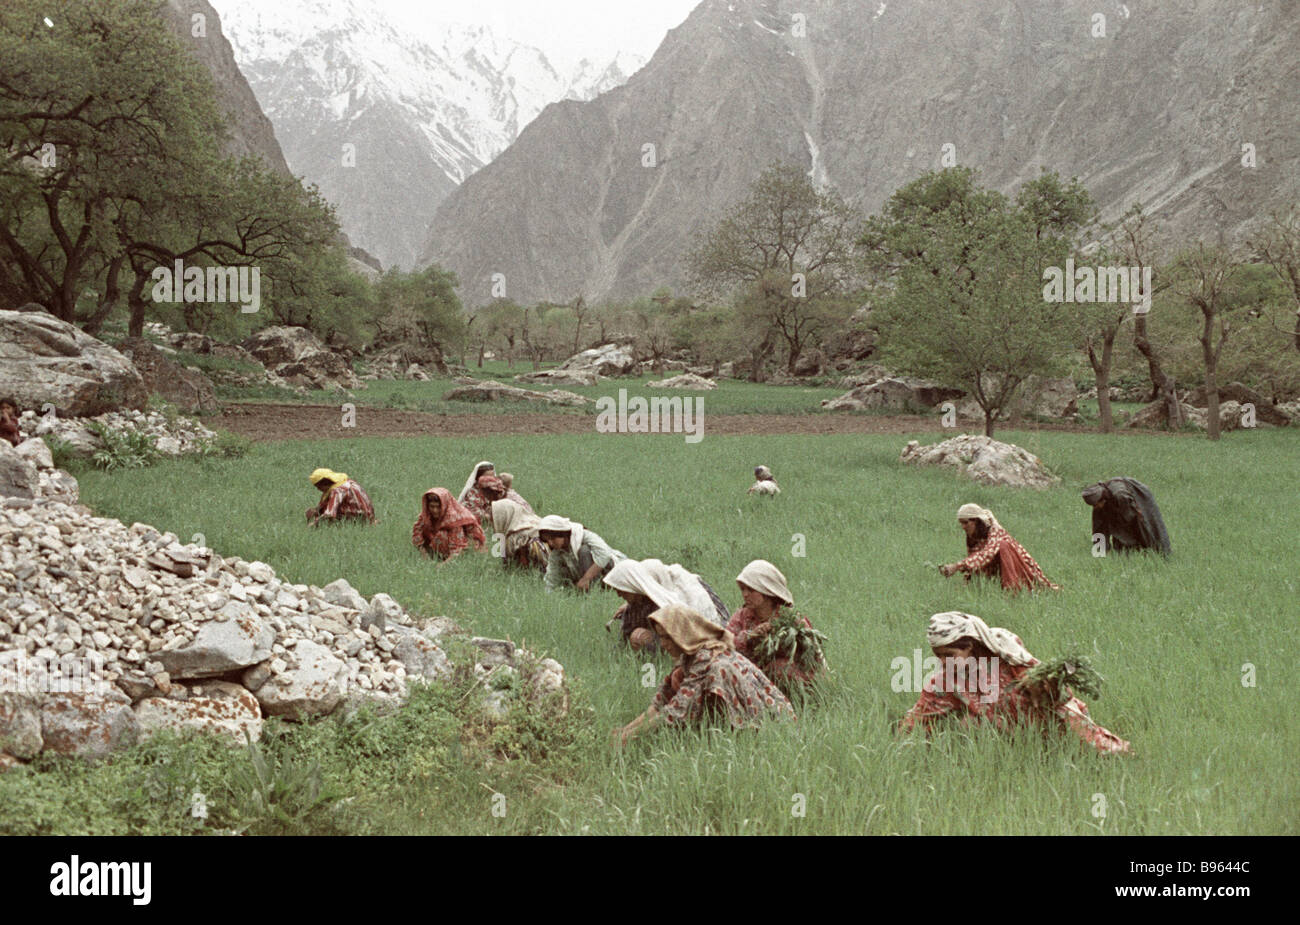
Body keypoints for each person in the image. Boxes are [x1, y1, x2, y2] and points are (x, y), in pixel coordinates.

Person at [899, 611, 1130, 755]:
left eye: (948, 655)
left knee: (1089, 744)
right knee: (964, 729)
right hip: (1000, 734)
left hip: (1042, 719)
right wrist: (901, 743)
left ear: (969, 646)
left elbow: (1062, 697)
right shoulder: (945, 678)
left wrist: (1042, 685)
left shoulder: (1008, 656)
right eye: (938, 656)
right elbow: (922, 714)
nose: (942, 662)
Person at [612, 604, 795, 745]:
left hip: (773, 723)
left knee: (712, 677)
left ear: (682, 634)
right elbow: (662, 700)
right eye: (661, 637)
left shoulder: (707, 657)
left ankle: (733, 735)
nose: (663, 644)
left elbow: (675, 710)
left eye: (668, 637)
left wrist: (629, 737)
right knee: (677, 678)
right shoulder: (689, 656)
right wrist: (625, 730)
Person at [728, 560, 825, 694]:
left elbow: (813, 656)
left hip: (788, 680)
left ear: (766, 591)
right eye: (743, 589)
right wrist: (750, 636)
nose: (745, 594)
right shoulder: (741, 617)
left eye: (751, 590)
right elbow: (725, 643)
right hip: (750, 679)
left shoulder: (790, 619)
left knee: (778, 668)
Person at [603, 558, 731, 652]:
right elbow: (625, 636)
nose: (619, 595)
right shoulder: (638, 602)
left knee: (639, 636)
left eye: (621, 590)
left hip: (693, 645)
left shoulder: (675, 602)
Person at [938, 504, 1060, 592]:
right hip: (996, 572)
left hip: (1022, 570)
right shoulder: (973, 535)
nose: (963, 527)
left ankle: (1013, 591)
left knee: (1003, 546)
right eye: (961, 523)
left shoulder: (996, 531)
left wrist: (958, 566)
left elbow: (987, 554)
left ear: (977, 521)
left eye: (966, 522)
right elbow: (975, 559)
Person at [537, 514, 626, 592]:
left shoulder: (584, 535)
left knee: (584, 551)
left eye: (553, 539)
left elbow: (605, 554)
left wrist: (586, 578)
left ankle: (594, 591)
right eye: (547, 540)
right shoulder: (557, 552)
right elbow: (552, 577)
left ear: (562, 534)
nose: (550, 543)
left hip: (612, 571)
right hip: (592, 578)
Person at [1082, 477, 1171, 556]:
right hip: (1118, 502)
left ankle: (1160, 553)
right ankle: (1122, 552)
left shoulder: (1120, 495)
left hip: (1138, 497)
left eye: (1097, 505)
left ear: (1101, 499)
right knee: (1103, 521)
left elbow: (1131, 519)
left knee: (1148, 528)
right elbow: (1098, 528)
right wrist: (1099, 553)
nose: (1096, 508)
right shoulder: (1100, 500)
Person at [412, 487, 485, 560]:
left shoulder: (454, 519)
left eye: (438, 507)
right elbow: (417, 533)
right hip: (437, 548)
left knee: (441, 535)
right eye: (432, 506)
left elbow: (457, 550)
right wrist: (424, 555)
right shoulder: (426, 515)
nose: (435, 510)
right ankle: (434, 555)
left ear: (445, 506)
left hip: (464, 547)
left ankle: (441, 557)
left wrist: (441, 567)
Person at [459, 460, 532, 529]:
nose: (490, 479)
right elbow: (473, 512)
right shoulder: (473, 493)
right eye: (487, 476)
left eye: (492, 476)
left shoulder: (496, 488)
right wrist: (493, 516)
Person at [490, 498, 548, 572]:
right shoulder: (533, 521)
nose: (493, 522)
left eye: (495, 518)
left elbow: (509, 567)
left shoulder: (514, 537)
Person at [306, 469, 376, 525]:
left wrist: (313, 524)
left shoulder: (337, 491)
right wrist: (316, 511)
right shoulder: (347, 481)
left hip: (358, 521)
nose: (318, 489)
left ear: (325, 483)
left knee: (326, 522)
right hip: (368, 517)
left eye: (319, 487)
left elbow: (329, 514)